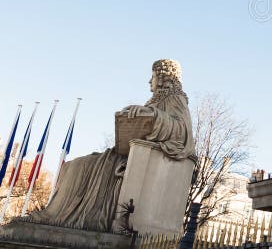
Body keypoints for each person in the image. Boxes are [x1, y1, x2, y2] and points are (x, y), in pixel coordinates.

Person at [29, 59, 194, 231]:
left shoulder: (176, 98)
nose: (149, 81)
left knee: (79, 166)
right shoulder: (160, 99)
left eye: (152, 76)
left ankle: (58, 216)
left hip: (130, 159)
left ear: (161, 78)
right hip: (123, 155)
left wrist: (152, 113)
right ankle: (54, 214)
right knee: (72, 165)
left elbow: (182, 132)